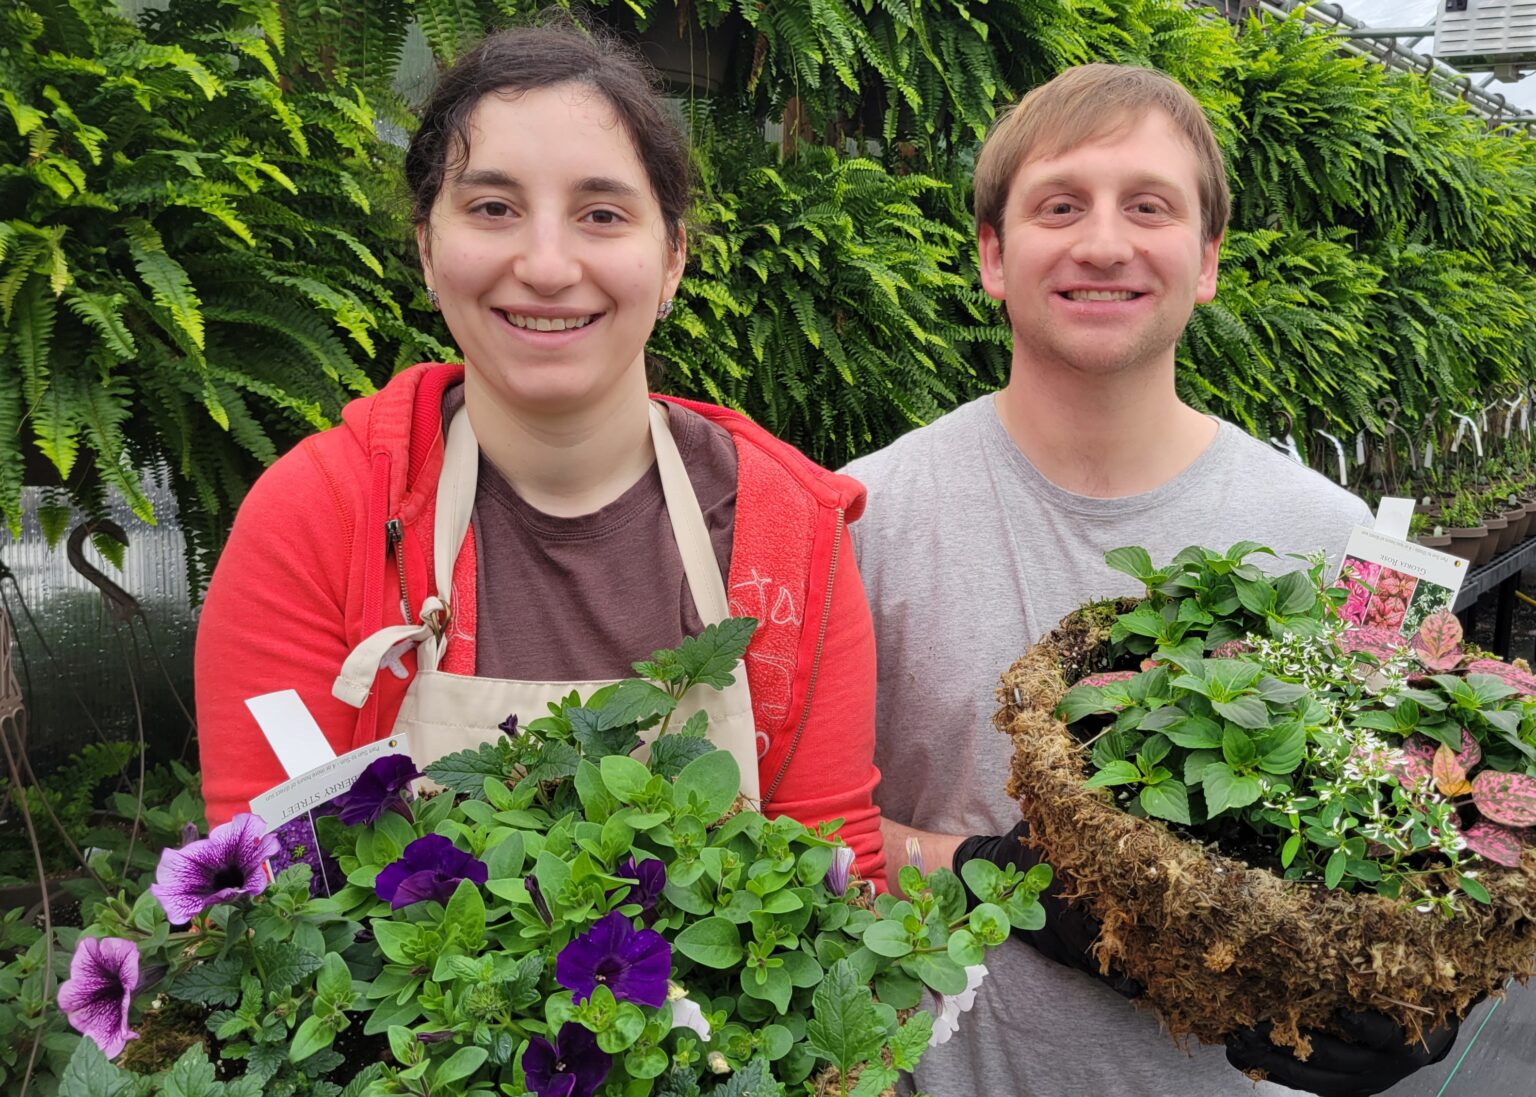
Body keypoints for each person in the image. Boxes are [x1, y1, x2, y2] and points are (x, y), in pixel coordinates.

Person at [844, 64, 1455, 1095]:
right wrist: (990, 866)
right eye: (1060, 204)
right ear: (993, 254)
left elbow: (1423, 848)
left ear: (1207, 260)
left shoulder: (1339, 543)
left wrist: (1421, 1004)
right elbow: (794, 827)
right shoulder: (865, 514)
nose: (1104, 242)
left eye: (1150, 206)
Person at [195, 22, 884, 888]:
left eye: (602, 214)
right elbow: (263, 902)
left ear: (672, 258)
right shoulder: (324, 515)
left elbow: (844, 881)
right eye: (493, 208)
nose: (548, 265)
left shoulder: (784, 532)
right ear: (427, 248)